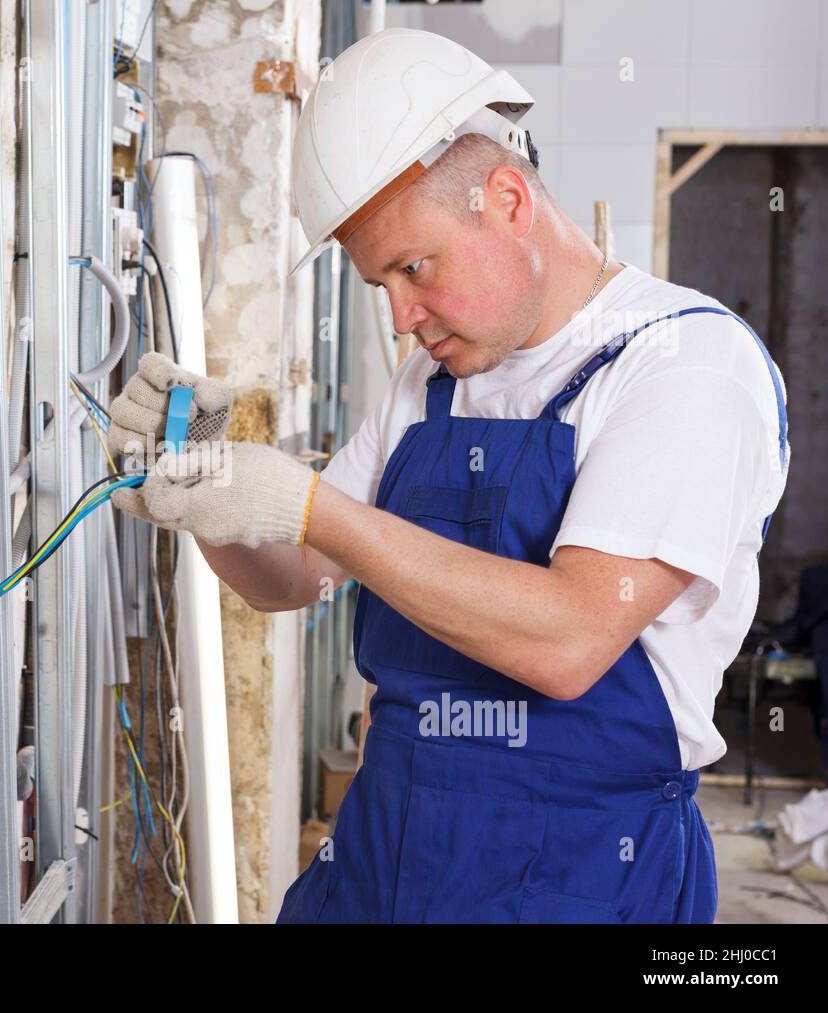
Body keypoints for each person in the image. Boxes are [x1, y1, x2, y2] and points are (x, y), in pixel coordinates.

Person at [106, 27, 789, 923]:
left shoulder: (683, 367)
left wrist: (309, 505)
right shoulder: (431, 383)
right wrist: (210, 488)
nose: (400, 316)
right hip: (386, 847)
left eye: (413, 268)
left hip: (578, 873)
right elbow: (291, 579)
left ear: (507, 200)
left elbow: (569, 639)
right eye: (377, 283)